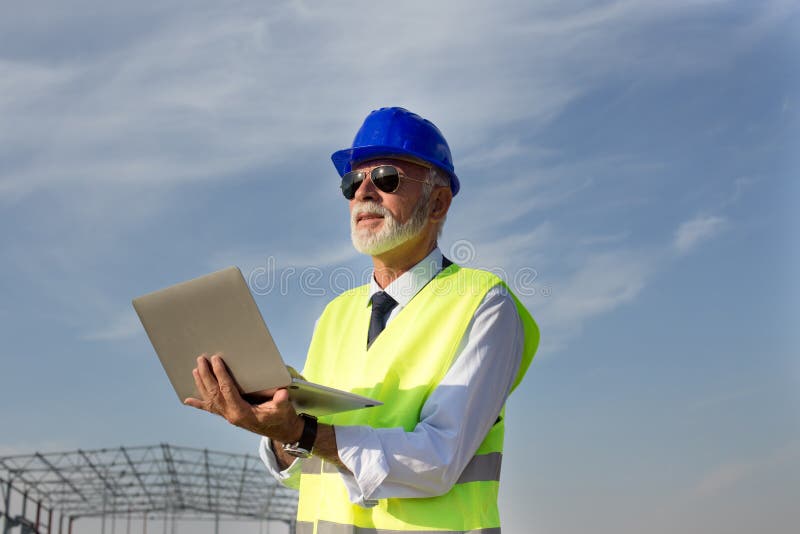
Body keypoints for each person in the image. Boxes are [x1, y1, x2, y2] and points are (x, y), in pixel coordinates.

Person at [185, 107, 539, 533]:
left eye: (387, 178)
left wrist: (302, 432)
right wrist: (277, 429)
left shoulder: (483, 304)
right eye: (353, 183)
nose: (364, 193)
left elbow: (438, 459)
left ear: (438, 203)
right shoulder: (336, 315)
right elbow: (303, 471)